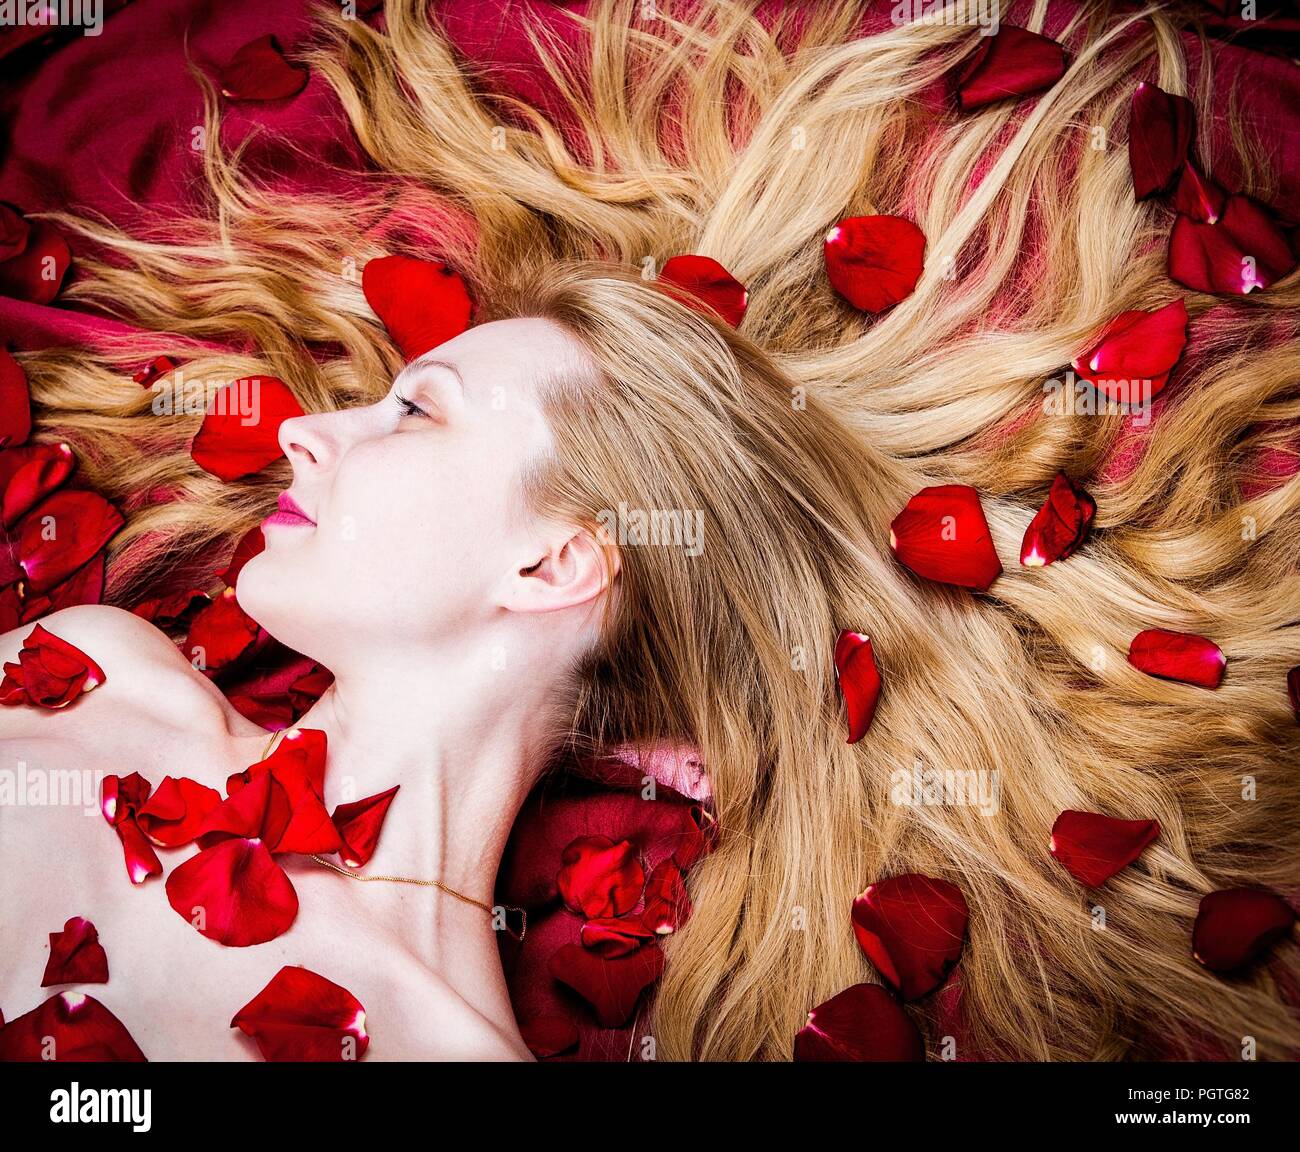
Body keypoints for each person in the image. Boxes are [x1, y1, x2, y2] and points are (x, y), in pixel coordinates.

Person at [2, 0, 1298, 1061]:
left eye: (418, 411)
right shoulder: (100, 665)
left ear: (556, 561)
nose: (305, 432)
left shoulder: (433, 1049)